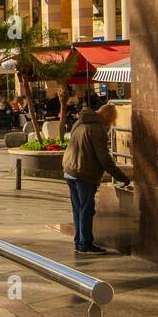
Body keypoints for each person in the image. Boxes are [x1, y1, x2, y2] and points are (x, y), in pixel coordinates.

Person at [62, 103, 130, 254]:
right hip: (83, 172)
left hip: (69, 169)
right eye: (111, 119)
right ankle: (85, 244)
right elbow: (104, 159)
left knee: (78, 208)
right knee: (86, 209)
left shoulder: (80, 121)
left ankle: (79, 242)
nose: (110, 123)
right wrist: (122, 177)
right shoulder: (97, 129)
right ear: (107, 116)